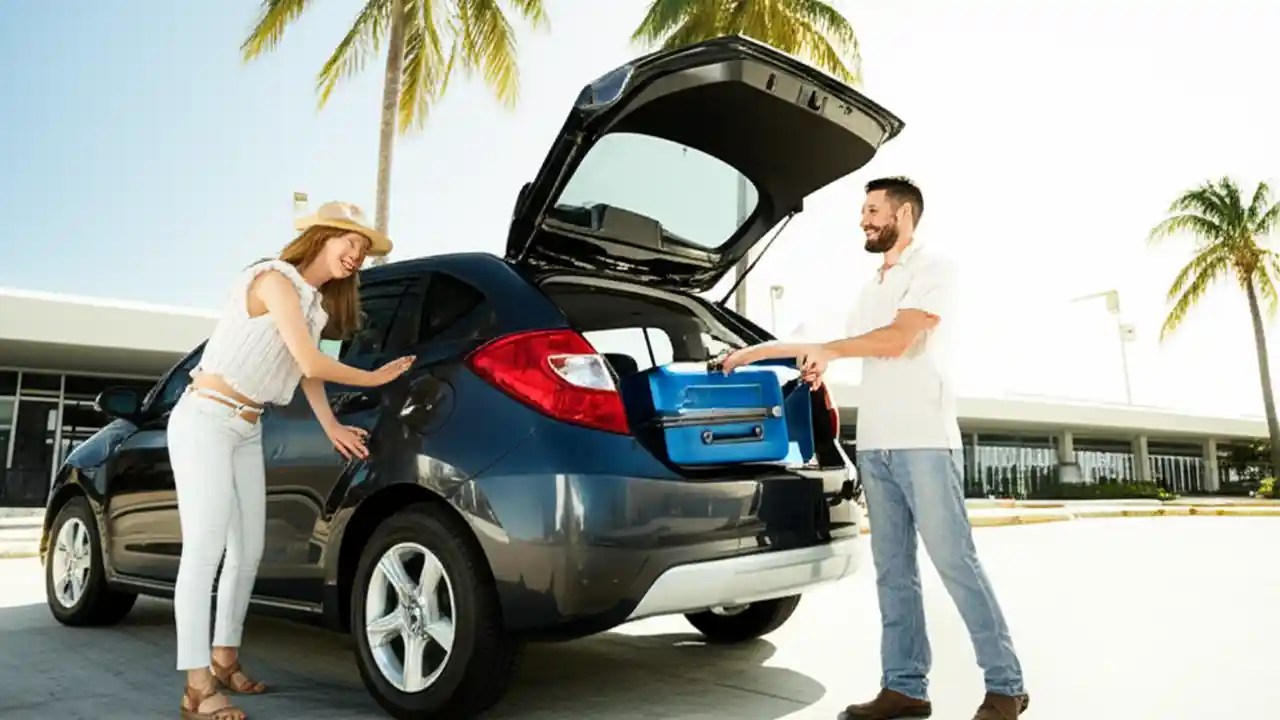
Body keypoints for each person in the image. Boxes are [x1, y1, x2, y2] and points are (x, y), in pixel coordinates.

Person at [720, 177, 1029, 720]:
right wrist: (760, 352)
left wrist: (829, 351)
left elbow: (897, 338)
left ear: (903, 215)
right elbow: (837, 341)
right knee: (892, 572)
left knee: (956, 564)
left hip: (926, 443)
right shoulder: (873, 286)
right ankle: (905, 687)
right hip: (878, 447)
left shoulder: (933, 268)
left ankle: (1006, 686)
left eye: (872, 210)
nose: (862, 220)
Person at [170, 201, 416, 720]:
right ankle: (196, 687)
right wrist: (374, 378)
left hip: (245, 427)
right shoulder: (274, 279)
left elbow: (307, 374)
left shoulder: (318, 308)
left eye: (363, 249)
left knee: (248, 551)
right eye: (348, 240)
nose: (356, 253)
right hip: (205, 418)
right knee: (206, 549)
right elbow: (308, 359)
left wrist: (330, 426)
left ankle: (223, 656)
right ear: (322, 237)